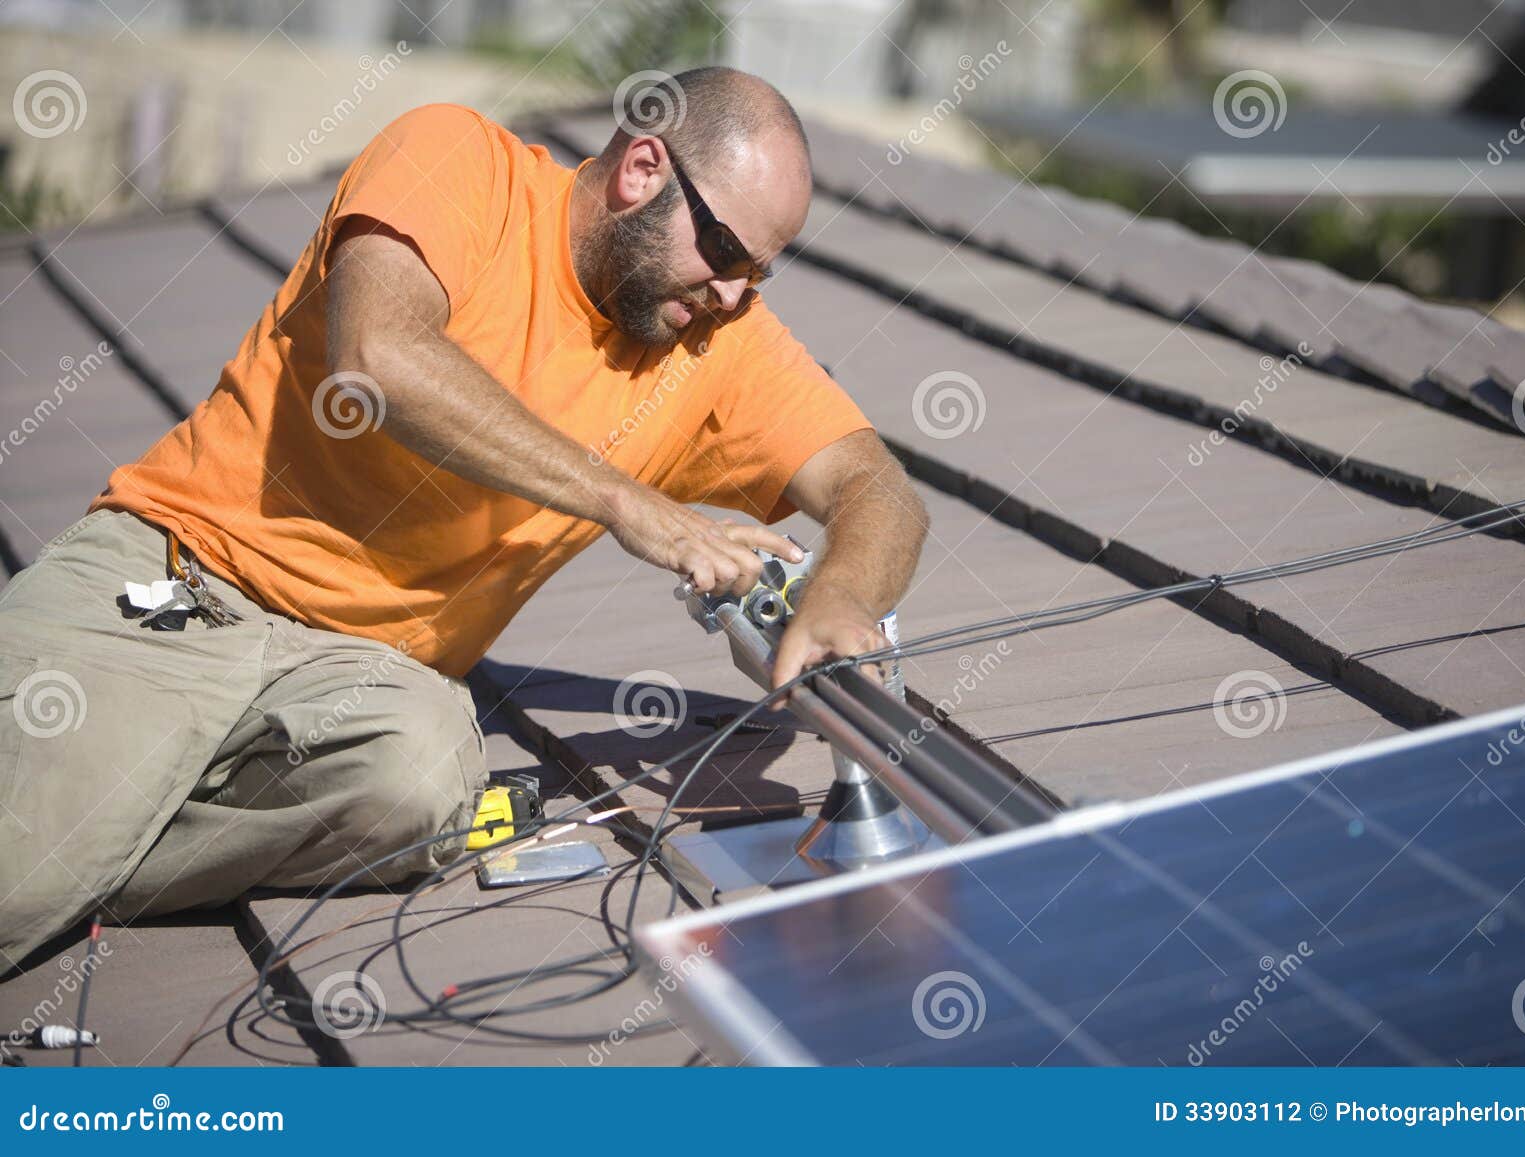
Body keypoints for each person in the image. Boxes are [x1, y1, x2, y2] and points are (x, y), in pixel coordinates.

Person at [0, 66, 927, 969]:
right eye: (725, 253)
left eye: (757, 275)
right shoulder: (456, 162)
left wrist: (843, 598)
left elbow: (878, 488)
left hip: (360, 680)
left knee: (421, 783)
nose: (731, 295)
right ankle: (69, 847)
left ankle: (91, 841)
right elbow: (379, 358)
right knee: (16, 879)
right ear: (644, 169)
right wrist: (628, 503)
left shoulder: (714, 337)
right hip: (185, 587)